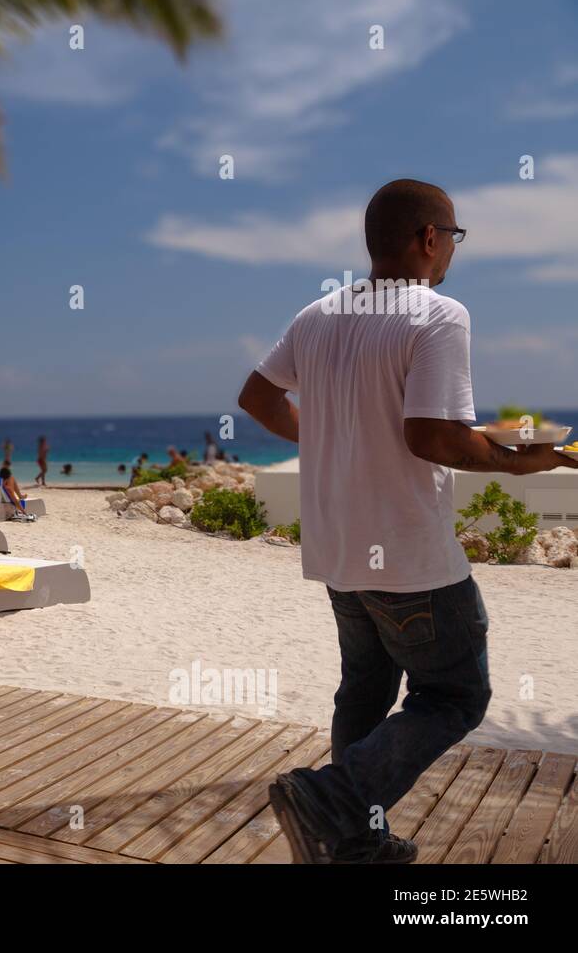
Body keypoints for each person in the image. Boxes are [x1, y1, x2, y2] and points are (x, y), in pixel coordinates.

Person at [239, 178, 578, 865]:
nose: (451, 250)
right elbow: (435, 438)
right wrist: (531, 461)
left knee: (364, 693)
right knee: (454, 694)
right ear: (430, 238)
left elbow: (256, 396)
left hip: (339, 551)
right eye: (451, 237)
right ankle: (330, 799)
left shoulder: (318, 314)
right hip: (407, 554)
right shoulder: (438, 314)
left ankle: (355, 844)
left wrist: (331, 437)